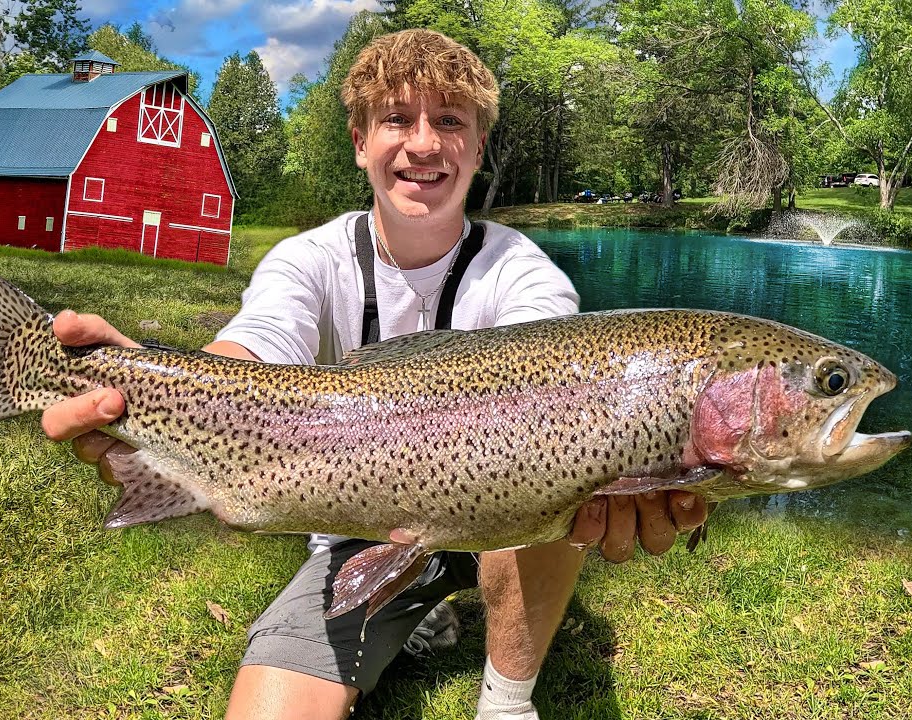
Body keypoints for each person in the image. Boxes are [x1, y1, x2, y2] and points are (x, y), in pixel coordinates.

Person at [39, 29, 708, 720]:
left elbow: (564, 387)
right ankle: (410, 605)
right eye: (397, 119)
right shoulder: (307, 261)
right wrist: (151, 386)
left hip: (508, 518)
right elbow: (251, 352)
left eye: (450, 121)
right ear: (360, 141)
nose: (423, 144)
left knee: (565, 474)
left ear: (478, 148)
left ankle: (506, 703)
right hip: (357, 528)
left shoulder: (522, 272)